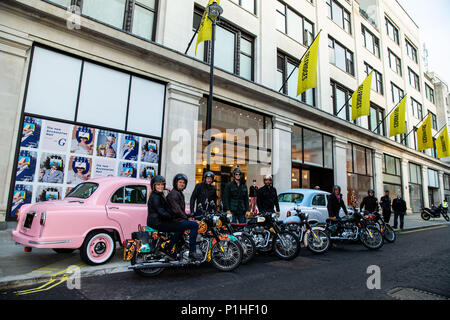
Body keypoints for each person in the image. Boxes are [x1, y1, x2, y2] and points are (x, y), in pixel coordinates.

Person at [147, 175, 201, 260]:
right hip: (158, 222)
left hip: (159, 221)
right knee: (194, 225)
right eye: (158, 185)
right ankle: (192, 252)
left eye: (162, 185)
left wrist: (186, 216)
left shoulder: (160, 194)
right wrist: (173, 216)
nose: (160, 187)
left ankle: (172, 248)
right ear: (153, 186)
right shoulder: (156, 196)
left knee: (180, 228)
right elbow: (162, 211)